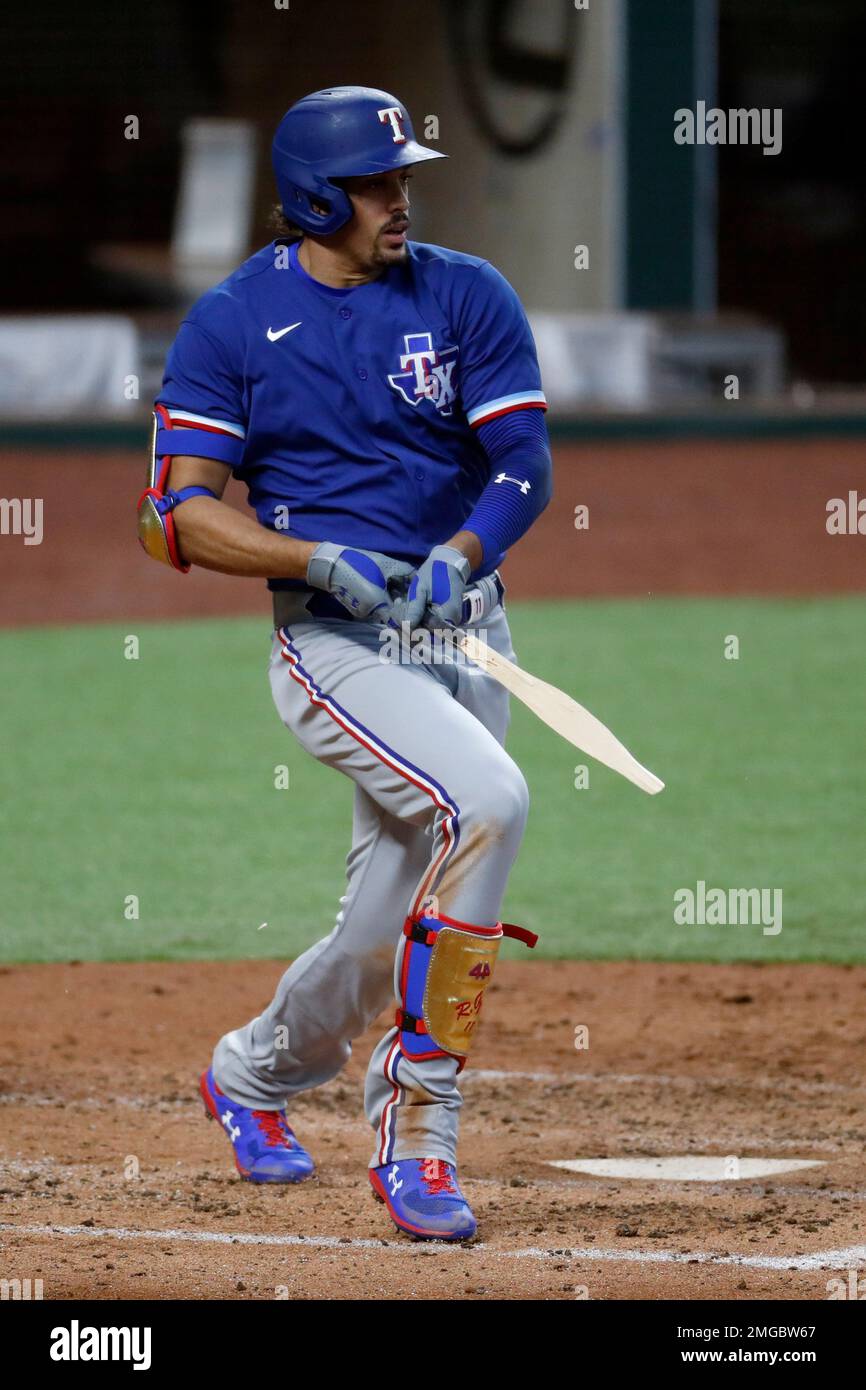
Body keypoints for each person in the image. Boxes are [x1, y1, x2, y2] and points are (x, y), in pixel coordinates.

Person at [138, 85, 552, 1241]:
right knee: (489, 800)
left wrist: (463, 551)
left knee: (386, 925)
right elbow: (176, 518)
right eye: (378, 182)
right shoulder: (230, 325)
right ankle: (418, 1126)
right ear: (316, 195)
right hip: (334, 646)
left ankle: (253, 1071)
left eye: (404, 176)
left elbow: (523, 464)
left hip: (465, 630)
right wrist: (315, 559)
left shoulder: (465, 294)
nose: (400, 197)